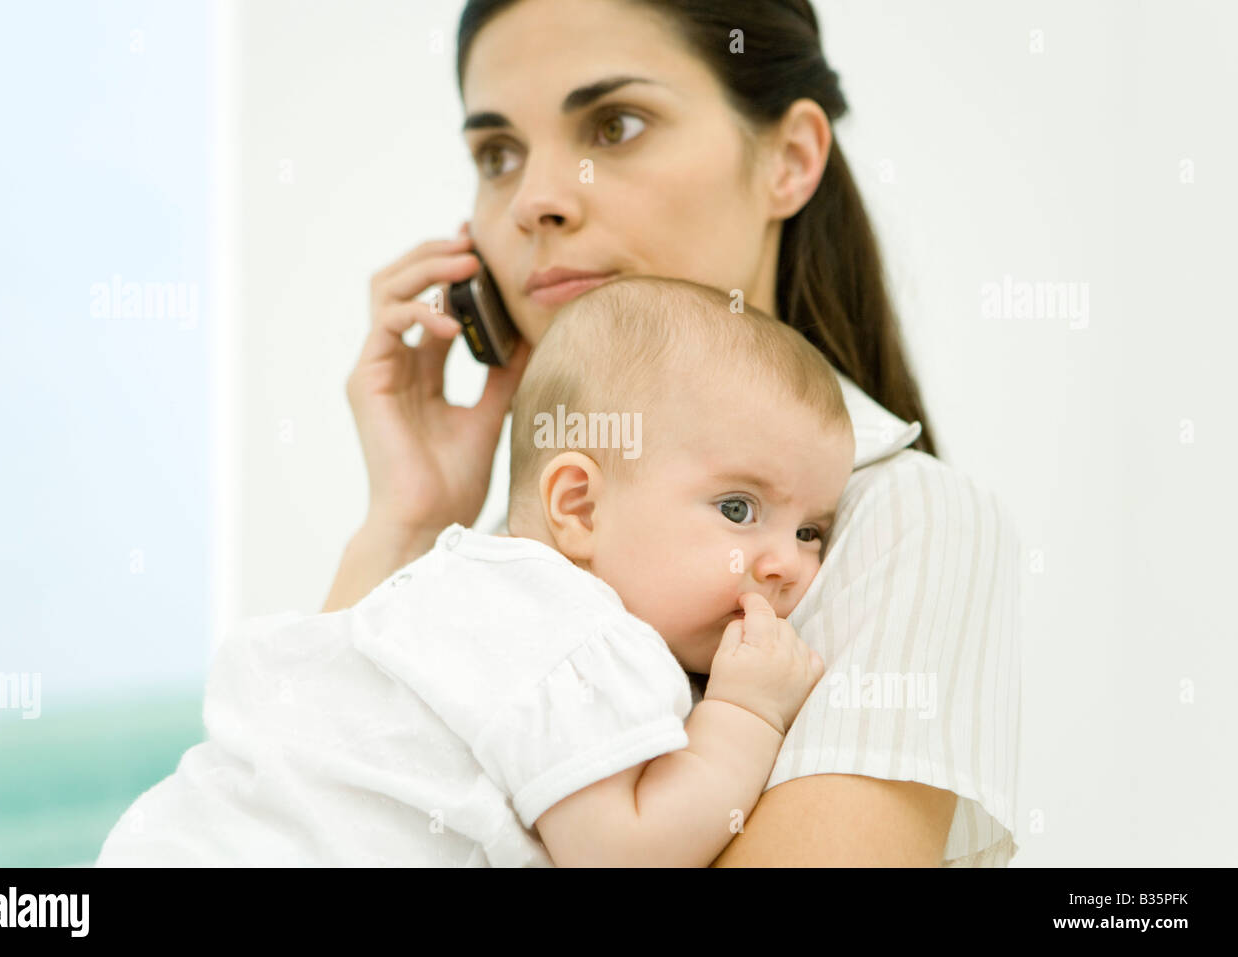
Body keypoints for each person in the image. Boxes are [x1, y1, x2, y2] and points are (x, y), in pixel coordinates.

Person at [324, 0, 1022, 866]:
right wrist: (407, 518)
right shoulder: (513, 545)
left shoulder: (902, 520)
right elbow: (303, 788)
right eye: (498, 154)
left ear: (790, 160)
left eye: (614, 125)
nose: (536, 200)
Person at [94, 279, 848, 867]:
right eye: (739, 509)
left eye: (812, 529)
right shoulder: (577, 634)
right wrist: (747, 715)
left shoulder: (463, 585)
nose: (789, 564)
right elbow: (621, 851)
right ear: (579, 506)